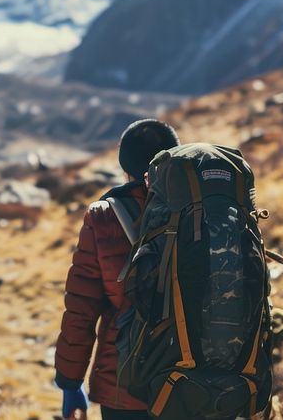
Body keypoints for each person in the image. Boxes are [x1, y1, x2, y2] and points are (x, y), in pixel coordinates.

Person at [54, 119, 181, 420]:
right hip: (199, 379)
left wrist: (70, 383)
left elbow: (81, 308)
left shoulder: (105, 217)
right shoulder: (206, 209)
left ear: (125, 168)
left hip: (126, 383)